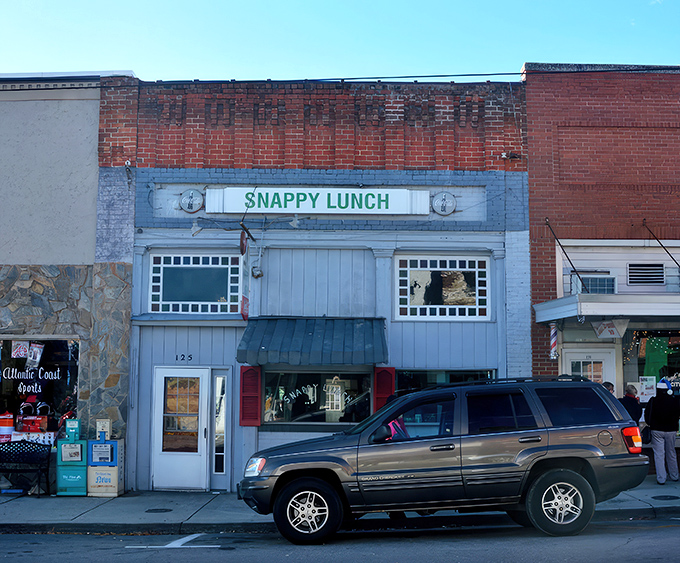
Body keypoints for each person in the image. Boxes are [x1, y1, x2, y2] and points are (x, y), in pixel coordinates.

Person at [644, 378, 680, 485]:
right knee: (671, 453)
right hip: (671, 430)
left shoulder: (653, 400)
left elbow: (647, 415)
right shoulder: (675, 400)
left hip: (656, 430)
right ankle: (674, 475)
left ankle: (661, 478)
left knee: (659, 454)